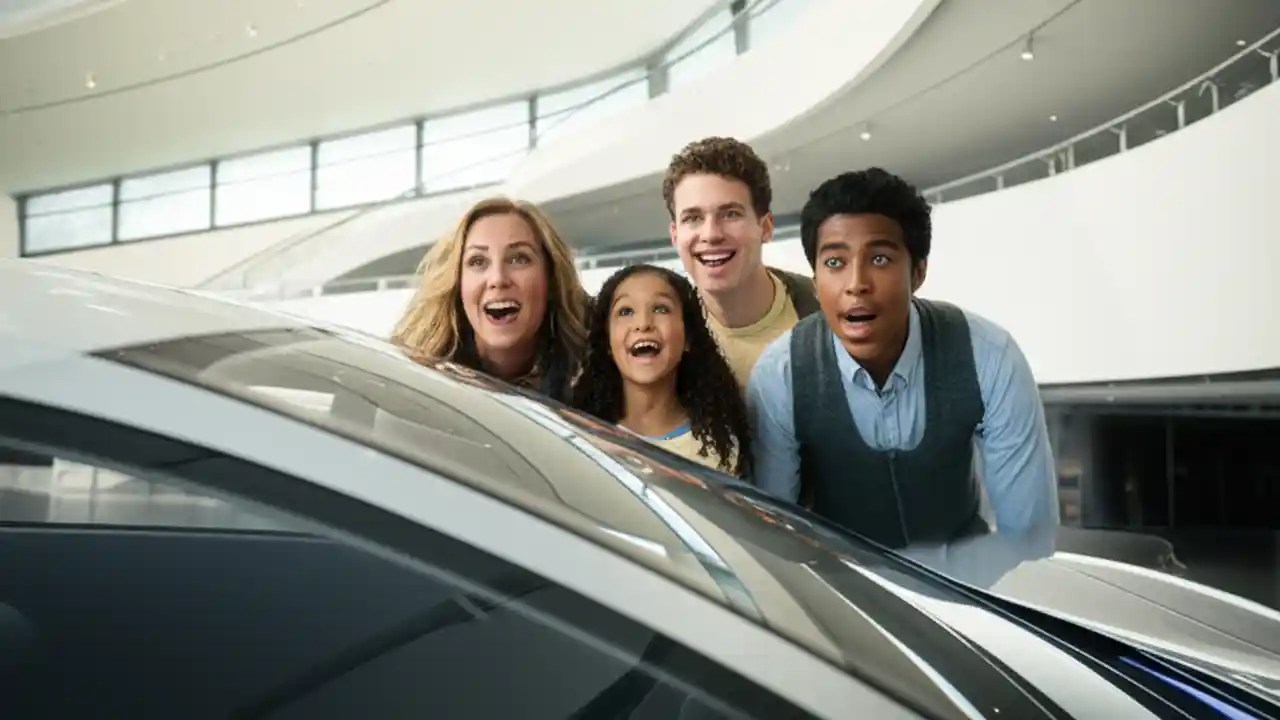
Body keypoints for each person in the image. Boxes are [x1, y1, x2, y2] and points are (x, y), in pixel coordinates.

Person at [747, 168, 1059, 588]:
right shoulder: (780, 373)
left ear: (918, 271)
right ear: (816, 278)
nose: (856, 284)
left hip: (971, 596)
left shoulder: (989, 354)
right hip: (844, 600)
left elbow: (1029, 539)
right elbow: (775, 538)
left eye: (879, 259)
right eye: (835, 262)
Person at [392, 196, 589, 404]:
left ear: (551, 279)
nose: (497, 279)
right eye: (478, 261)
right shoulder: (417, 385)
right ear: (458, 283)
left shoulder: (597, 383)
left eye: (518, 259)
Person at [663, 137, 820, 391]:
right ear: (675, 235)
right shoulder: (663, 336)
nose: (711, 234)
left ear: (765, 227)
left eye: (731, 214)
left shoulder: (827, 314)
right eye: (693, 218)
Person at [573, 264, 751, 478]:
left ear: (689, 337)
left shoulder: (723, 445)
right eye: (626, 311)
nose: (643, 324)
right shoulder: (578, 437)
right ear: (607, 343)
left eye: (661, 309)